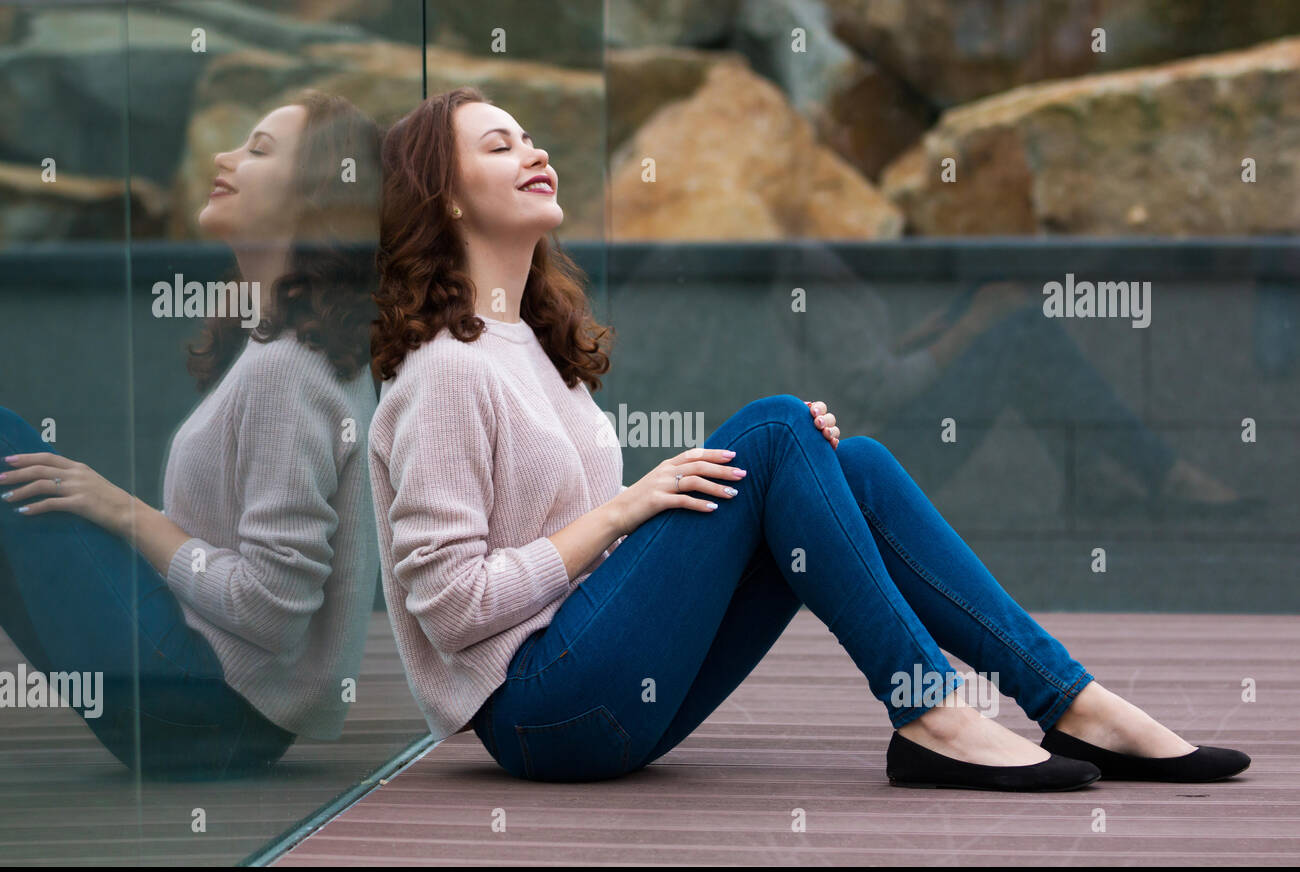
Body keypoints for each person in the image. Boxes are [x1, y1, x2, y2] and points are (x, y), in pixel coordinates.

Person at [367, 86, 1250, 790]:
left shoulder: (536, 343)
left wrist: (788, 475)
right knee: (779, 426)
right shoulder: (445, 368)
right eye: (500, 145)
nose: (536, 152)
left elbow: (584, 557)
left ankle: (1072, 700)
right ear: (444, 199)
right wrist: (629, 510)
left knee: (848, 461)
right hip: (541, 712)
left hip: (601, 686)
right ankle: (933, 714)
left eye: (530, 138)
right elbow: (448, 609)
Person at [0, 91, 382, 779]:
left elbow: (270, 613)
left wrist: (122, 511)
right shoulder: (291, 354)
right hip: (221, 708)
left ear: (316, 198)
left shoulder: (290, 370)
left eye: (258, 150)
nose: (223, 157)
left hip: (210, 703)